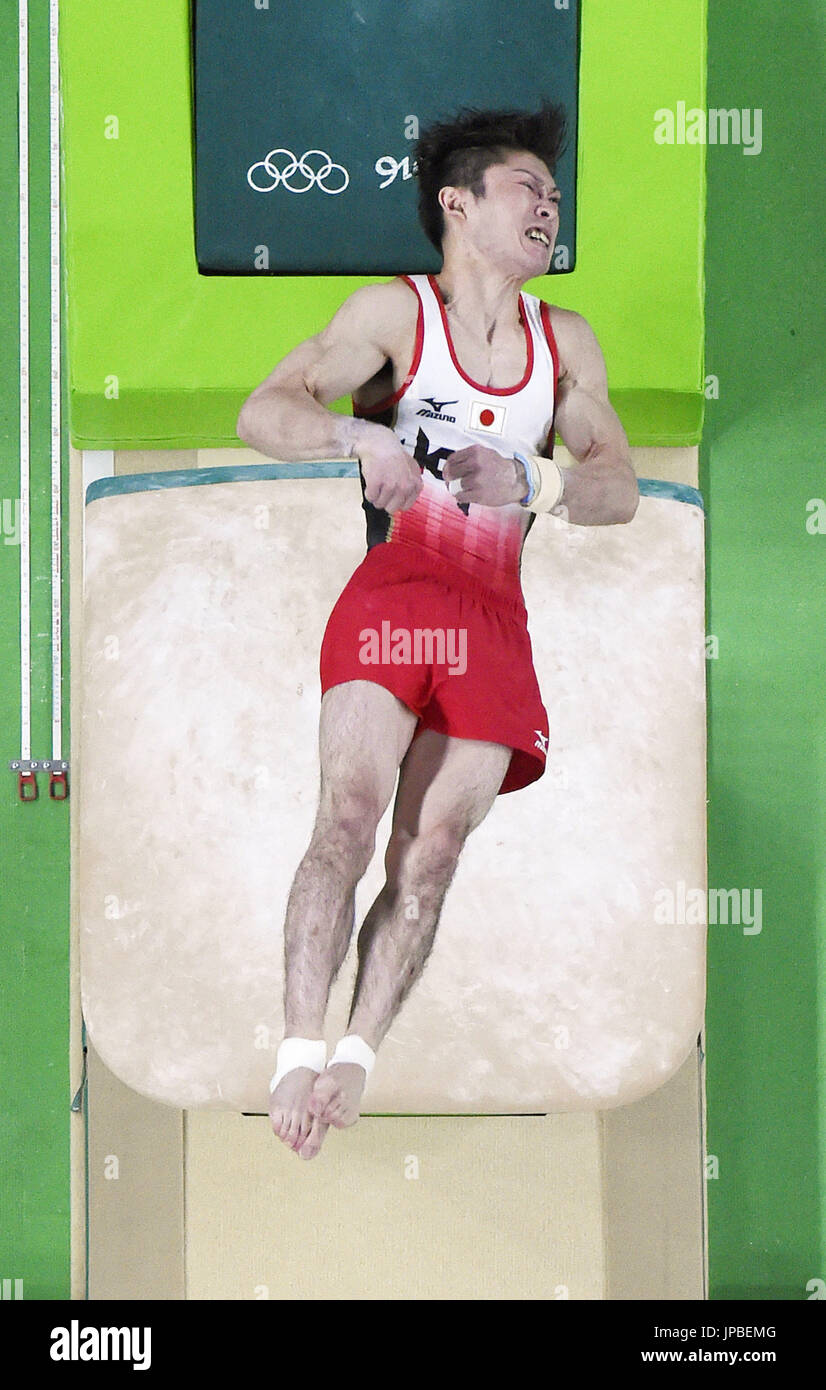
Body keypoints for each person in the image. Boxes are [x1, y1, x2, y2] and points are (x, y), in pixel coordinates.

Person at [236, 100, 638, 1160]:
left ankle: (354, 1059)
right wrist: (348, 433)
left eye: (554, 195)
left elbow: (618, 490)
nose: (549, 206)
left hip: (494, 621)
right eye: (528, 189)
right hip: (398, 591)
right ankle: (291, 1049)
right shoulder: (393, 315)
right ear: (457, 204)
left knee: (432, 854)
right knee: (348, 821)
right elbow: (261, 411)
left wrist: (534, 474)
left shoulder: (567, 342)